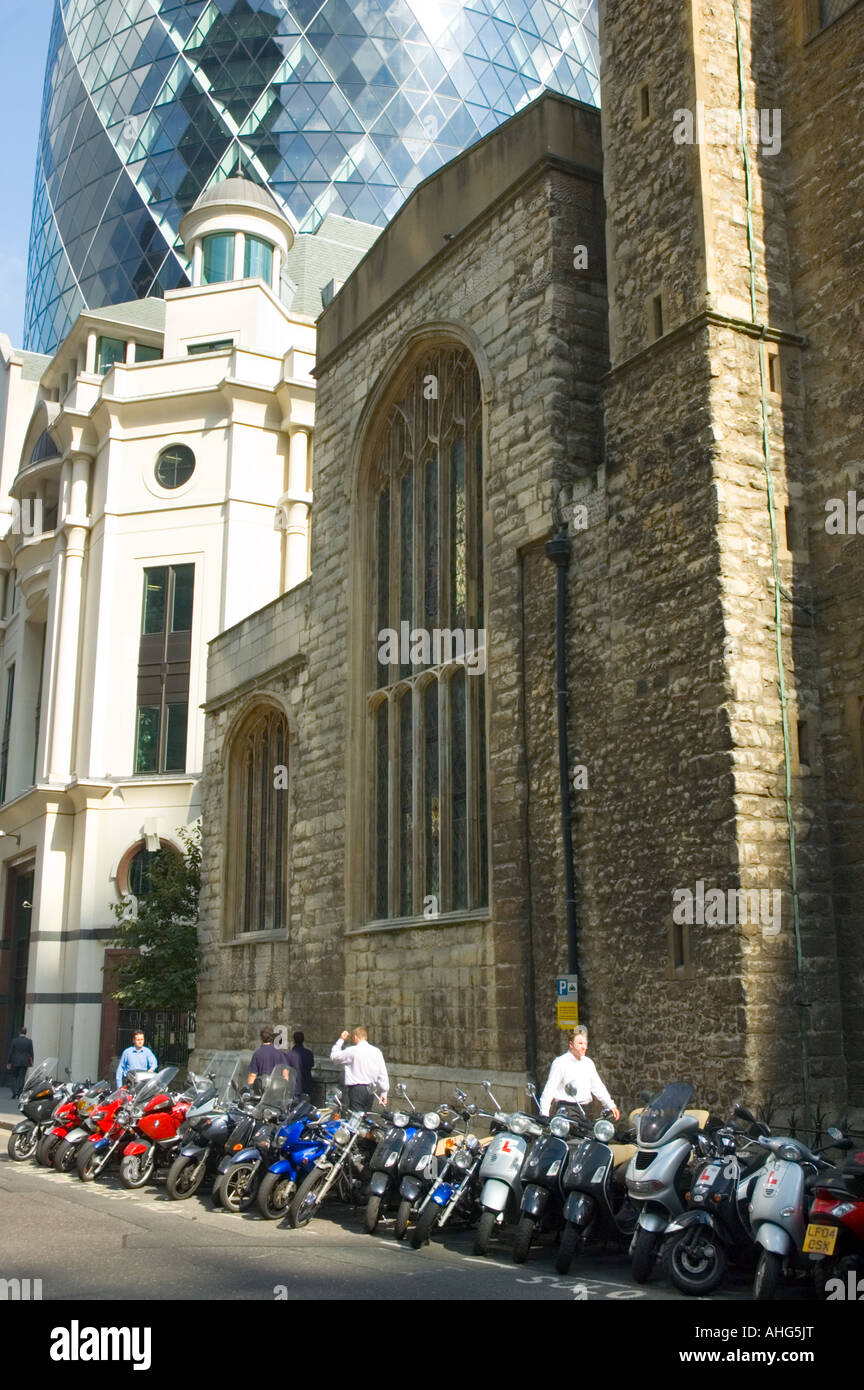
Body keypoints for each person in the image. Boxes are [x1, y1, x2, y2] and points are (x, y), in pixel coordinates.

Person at [539, 1025, 620, 1120]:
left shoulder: (588, 1063)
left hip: (587, 1110)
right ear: (571, 1045)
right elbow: (550, 1088)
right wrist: (544, 1112)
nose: (584, 1047)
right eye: (580, 1043)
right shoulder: (561, 1062)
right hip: (568, 1110)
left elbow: (597, 1086)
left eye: (585, 1043)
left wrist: (610, 1105)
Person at [329, 1026, 389, 1109]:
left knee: (356, 1117)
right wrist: (384, 1092)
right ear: (366, 1037)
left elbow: (334, 1057)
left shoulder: (352, 1050)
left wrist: (341, 1039)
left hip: (357, 1088)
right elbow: (382, 1072)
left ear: (355, 1037)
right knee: (366, 1116)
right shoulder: (376, 1051)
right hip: (371, 1089)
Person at [284, 1030, 315, 1098]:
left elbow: (286, 1072)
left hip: (294, 1087)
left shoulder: (289, 1055)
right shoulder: (309, 1053)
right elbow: (311, 1066)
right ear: (303, 1040)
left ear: (294, 1040)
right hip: (307, 1086)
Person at [5, 1027, 34, 1098]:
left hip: (15, 1061)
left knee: (14, 1077)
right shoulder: (29, 1041)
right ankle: (20, 1093)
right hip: (25, 1062)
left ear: (19, 1032)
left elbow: (11, 1052)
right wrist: (32, 1062)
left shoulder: (14, 1041)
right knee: (22, 1077)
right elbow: (31, 1053)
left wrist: (9, 1062)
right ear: (25, 1032)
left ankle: (14, 1092)